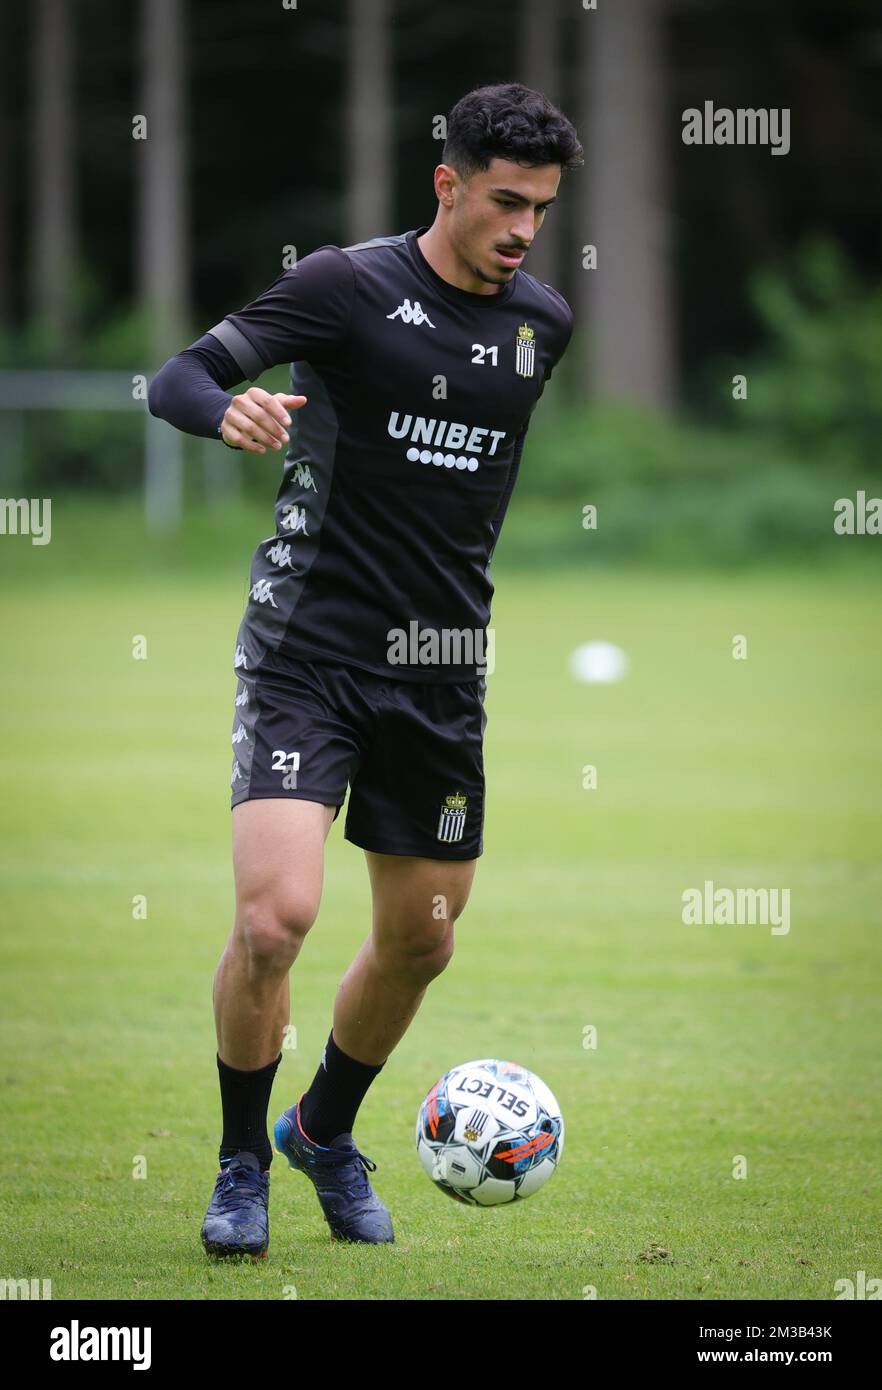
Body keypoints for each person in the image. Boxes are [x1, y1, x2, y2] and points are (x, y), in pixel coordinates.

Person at [148, 81, 582, 1257]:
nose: (522, 229)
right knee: (277, 918)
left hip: (440, 670)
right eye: (504, 201)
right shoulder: (347, 284)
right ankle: (243, 1165)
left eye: (541, 208)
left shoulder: (542, 321)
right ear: (446, 183)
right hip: (312, 649)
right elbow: (181, 374)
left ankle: (323, 1131)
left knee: (423, 940)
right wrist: (226, 411)